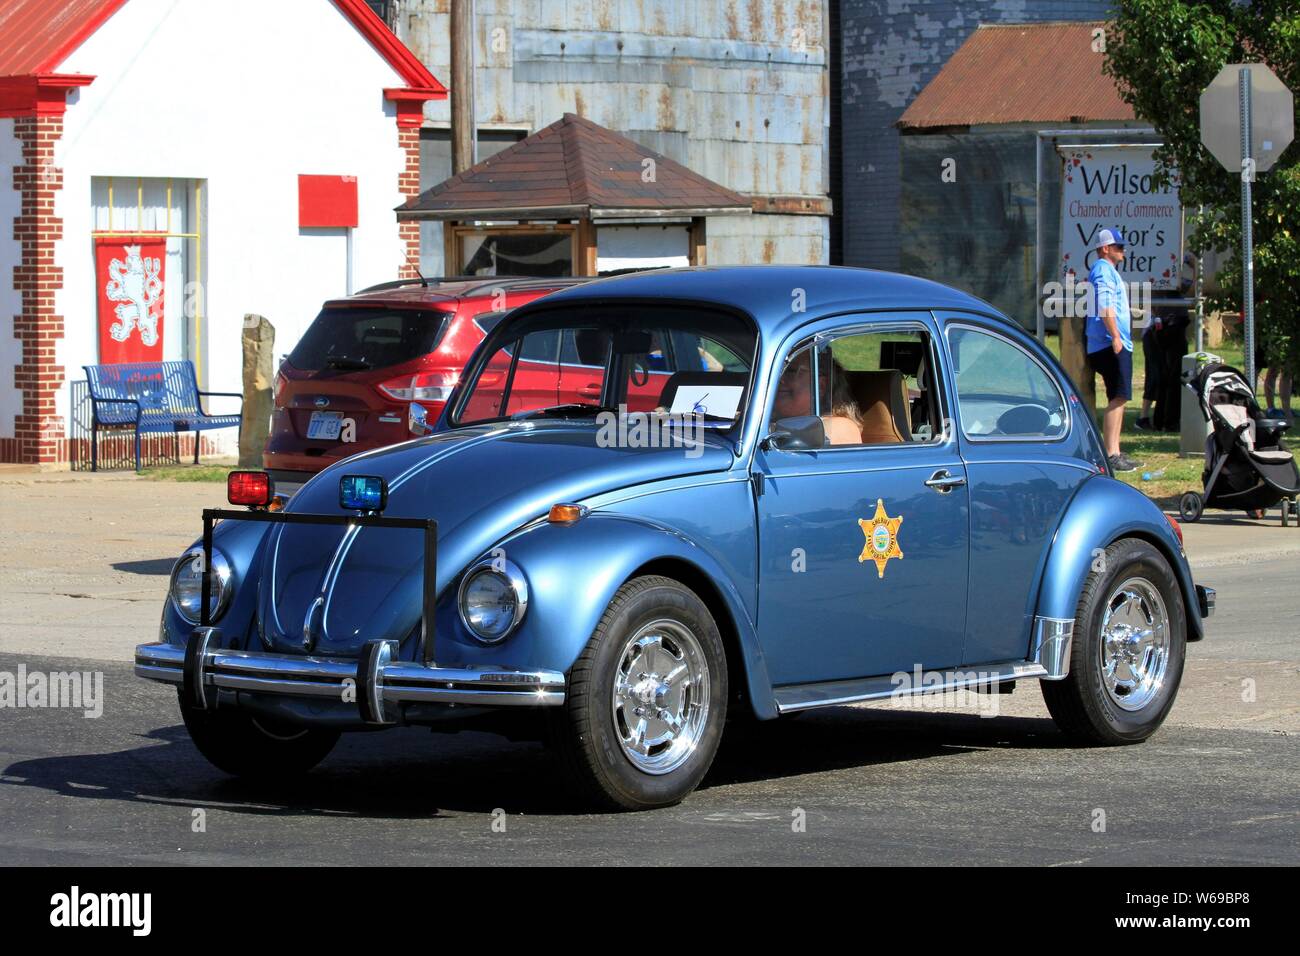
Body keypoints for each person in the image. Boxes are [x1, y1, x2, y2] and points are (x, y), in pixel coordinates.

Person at [1085, 228, 1139, 472]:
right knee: (1117, 396)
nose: (1123, 250)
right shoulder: (1103, 270)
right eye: (1118, 246)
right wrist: (1116, 336)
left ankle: (1115, 450)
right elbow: (1105, 305)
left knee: (1121, 396)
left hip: (1112, 341)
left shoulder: (1108, 271)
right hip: (1109, 343)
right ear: (1105, 248)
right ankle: (1110, 453)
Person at [773, 350, 861, 445]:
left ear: (820, 386)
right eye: (775, 372)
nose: (778, 379)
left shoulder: (840, 427)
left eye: (790, 371)